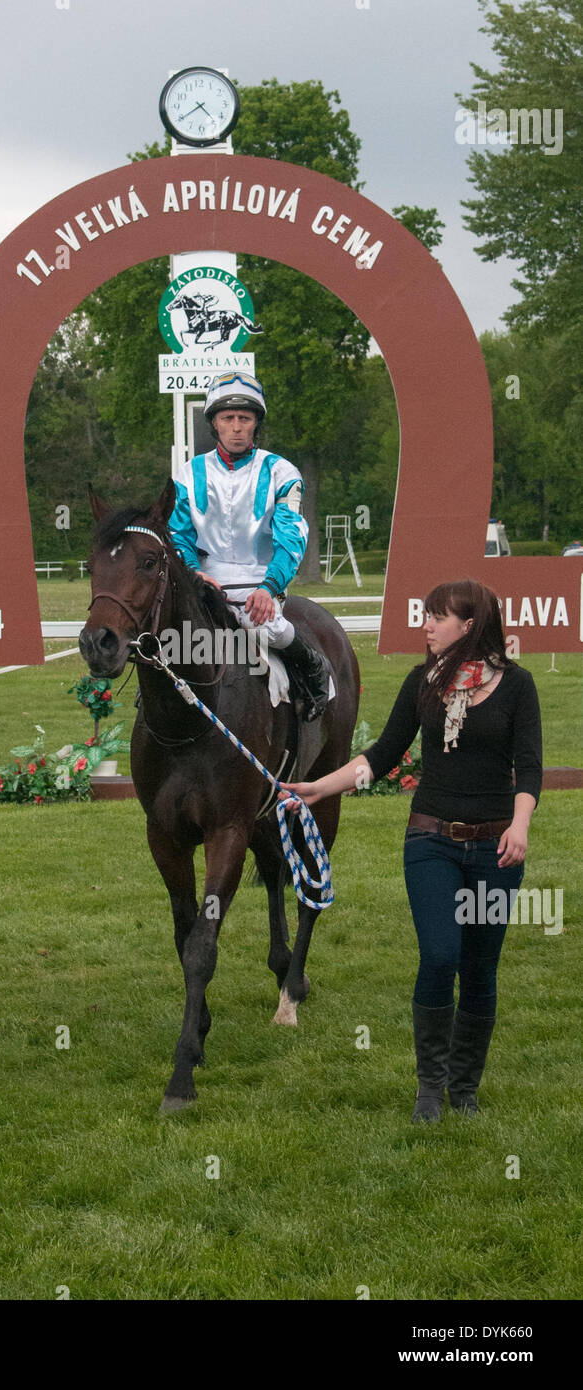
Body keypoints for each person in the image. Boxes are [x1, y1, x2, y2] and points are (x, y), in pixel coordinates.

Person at [279, 578, 543, 1122]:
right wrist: (317, 787)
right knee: (441, 954)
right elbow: (379, 756)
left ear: (468, 626)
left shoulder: (517, 687)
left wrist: (520, 826)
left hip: (496, 849)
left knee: (479, 968)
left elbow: (530, 766)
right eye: (425, 614)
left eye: (436, 617)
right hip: (430, 842)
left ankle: (465, 1090)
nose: (425, 625)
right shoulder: (421, 683)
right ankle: (430, 1086)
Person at [167, 370, 331, 720]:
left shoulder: (282, 472)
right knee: (171, 633)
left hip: (261, 579)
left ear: (256, 423)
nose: (237, 426)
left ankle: (312, 666)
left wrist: (269, 588)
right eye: (228, 418)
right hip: (204, 581)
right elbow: (178, 536)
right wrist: (194, 574)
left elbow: (291, 539)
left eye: (245, 418)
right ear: (215, 424)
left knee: (262, 626)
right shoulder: (187, 473)